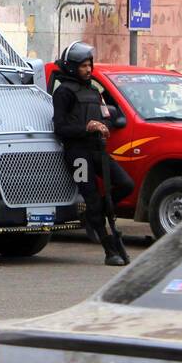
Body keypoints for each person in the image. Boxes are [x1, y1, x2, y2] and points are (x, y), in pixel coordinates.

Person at [52, 41, 134, 265]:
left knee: (126, 184)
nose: (88, 70)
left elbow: (105, 114)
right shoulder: (64, 92)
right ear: (72, 67)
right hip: (77, 154)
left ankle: (93, 214)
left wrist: (106, 123)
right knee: (92, 199)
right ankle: (110, 251)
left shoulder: (92, 89)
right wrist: (86, 127)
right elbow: (60, 128)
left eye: (90, 65)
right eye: (83, 66)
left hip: (97, 149)